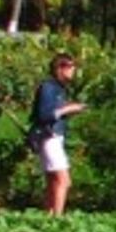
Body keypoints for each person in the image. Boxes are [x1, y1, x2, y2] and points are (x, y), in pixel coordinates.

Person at [29, 51, 83, 214]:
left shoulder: (58, 88)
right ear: (60, 68)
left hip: (53, 137)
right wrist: (68, 108)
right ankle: (56, 220)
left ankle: (50, 215)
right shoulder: (49, 87)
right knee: (63, 180)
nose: (73, 70)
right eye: (70, 66)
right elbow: (44, 114)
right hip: (48, 136)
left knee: (53, 180)